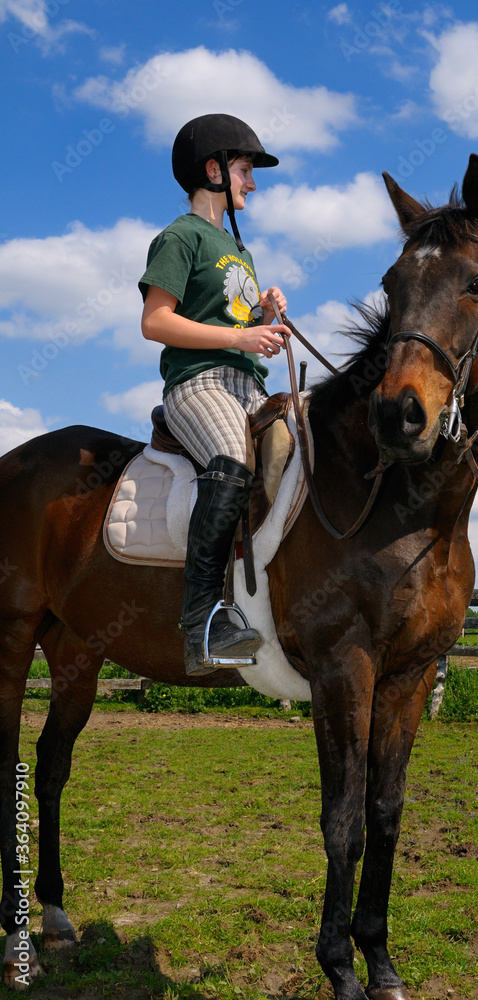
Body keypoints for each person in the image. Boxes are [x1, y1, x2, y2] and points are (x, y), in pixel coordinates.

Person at [139, 113, 290, 676]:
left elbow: (235, 317)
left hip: (249, 385)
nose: (252, 182)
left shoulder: (236, 248)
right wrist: (240, 335)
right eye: (246, 170)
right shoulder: (180, 237)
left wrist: (264, 312)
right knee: (230, 461)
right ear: (214, 170)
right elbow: (156, 321)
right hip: (198, 383)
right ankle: (202, 624)